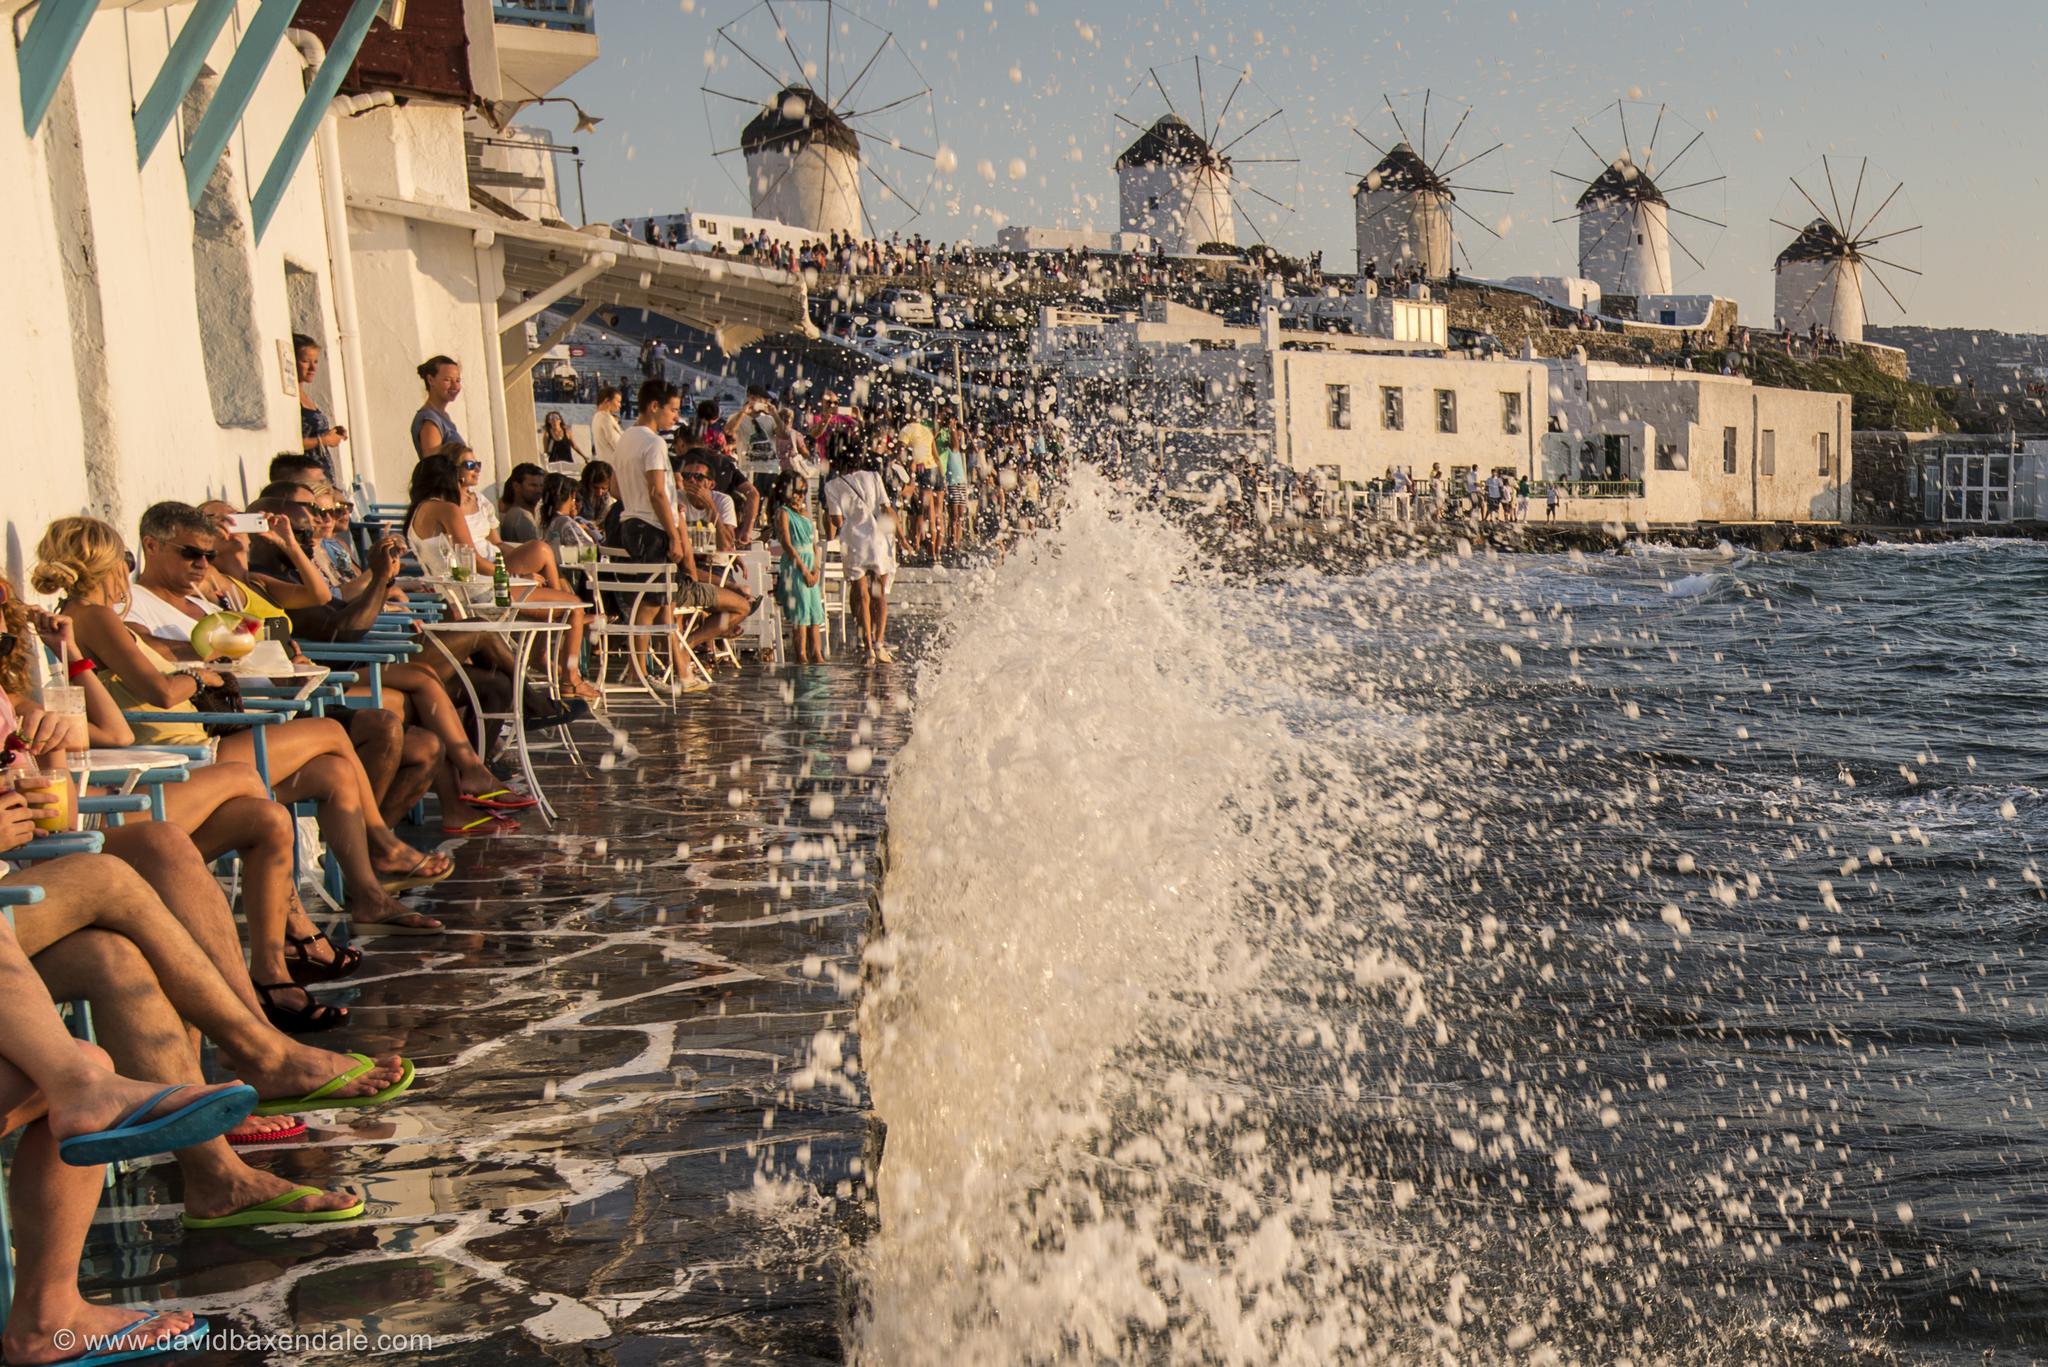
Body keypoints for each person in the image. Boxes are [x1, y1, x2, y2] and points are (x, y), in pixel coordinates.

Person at [37, 516, 452, 934]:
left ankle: (368, 898)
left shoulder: (84, 619)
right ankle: (381, 844)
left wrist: (203, 665)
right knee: (331, 732)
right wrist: (202, 677)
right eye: (123, 559)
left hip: (191, 740)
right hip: (184, 750)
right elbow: (161, 692)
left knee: (335, 771)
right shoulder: (96, 616)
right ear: (109, 563)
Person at [405, 454, 600, 701]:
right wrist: (511, 576)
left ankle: (546, 657)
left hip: (459, 592)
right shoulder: (447, 509)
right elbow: (472, 559)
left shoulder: (417, 513)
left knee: (547, 564)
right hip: (484, 591)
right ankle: (570, 680)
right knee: (574, 607)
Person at [822, 438, 897, 663]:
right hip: (878, 541)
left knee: (862, 596)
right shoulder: (873, 476)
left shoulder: (832, 485)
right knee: (879, 594)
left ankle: (868, 649)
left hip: (854, 543)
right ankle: (879, 642)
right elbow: (886, 508)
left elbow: (836, 519)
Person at [770, 470, 826, 664]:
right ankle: (801, 654)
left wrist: (816, 570)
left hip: (810, 562)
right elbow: (787, 544)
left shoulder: (805, 514)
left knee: (814, 611)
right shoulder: (783, 513)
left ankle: (817, 654)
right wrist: (803, 569)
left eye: (804, 491)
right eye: (798, 491)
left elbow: (814, 545)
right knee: (801, 611)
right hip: (795, 565)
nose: (801, 496)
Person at [294, 334, 347, 480]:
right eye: (305, 361)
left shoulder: (305, 396)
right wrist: (323, 440)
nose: (312, 368)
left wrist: (333, 434)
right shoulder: (291, 400)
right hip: (307, 476)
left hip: (323, 473)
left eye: (315, 362)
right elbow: (290, 442)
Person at [411, 355, 464, 458]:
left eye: (457, 380)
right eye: (447, 380)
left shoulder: (443, 417)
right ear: (431, 380)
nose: (455, 386)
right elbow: (434, 465)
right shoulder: (430, 421)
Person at [498, 461, 548, 543]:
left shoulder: (522, 514)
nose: (539, 490)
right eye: (533, 485)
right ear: (516, 486)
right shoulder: (521, 516)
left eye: (541, 486)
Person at [591, 385, 623, 463]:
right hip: (613, 465)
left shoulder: (598, 417)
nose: (620, 405)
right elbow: (616, 443)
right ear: (607, 401)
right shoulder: (605, 418)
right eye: (618, 401)